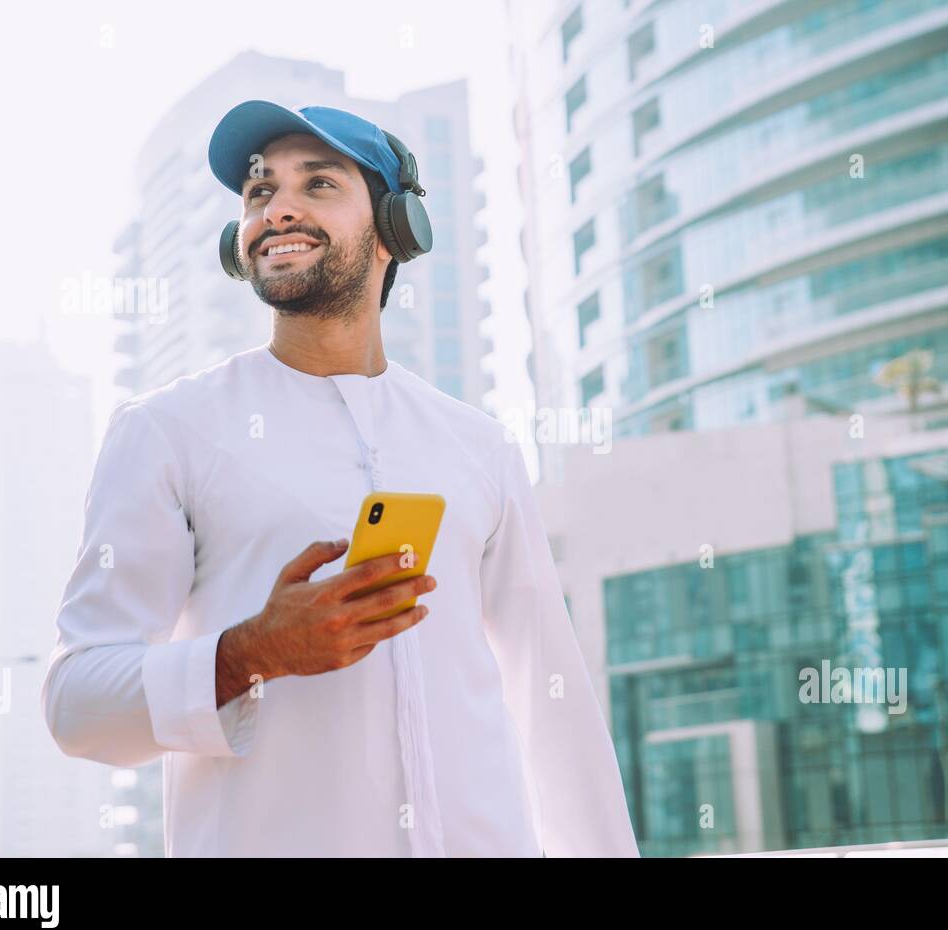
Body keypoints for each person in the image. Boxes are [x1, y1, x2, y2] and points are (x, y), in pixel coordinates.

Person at [42, 100, 640, 858]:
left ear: (395, 230)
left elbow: (552, 703)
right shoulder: (165, 431)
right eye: (260, 193)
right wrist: (249, 652)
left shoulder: (480, 447)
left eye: (317, 184)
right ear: (240, 240)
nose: (278, 207)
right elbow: (76, 705)